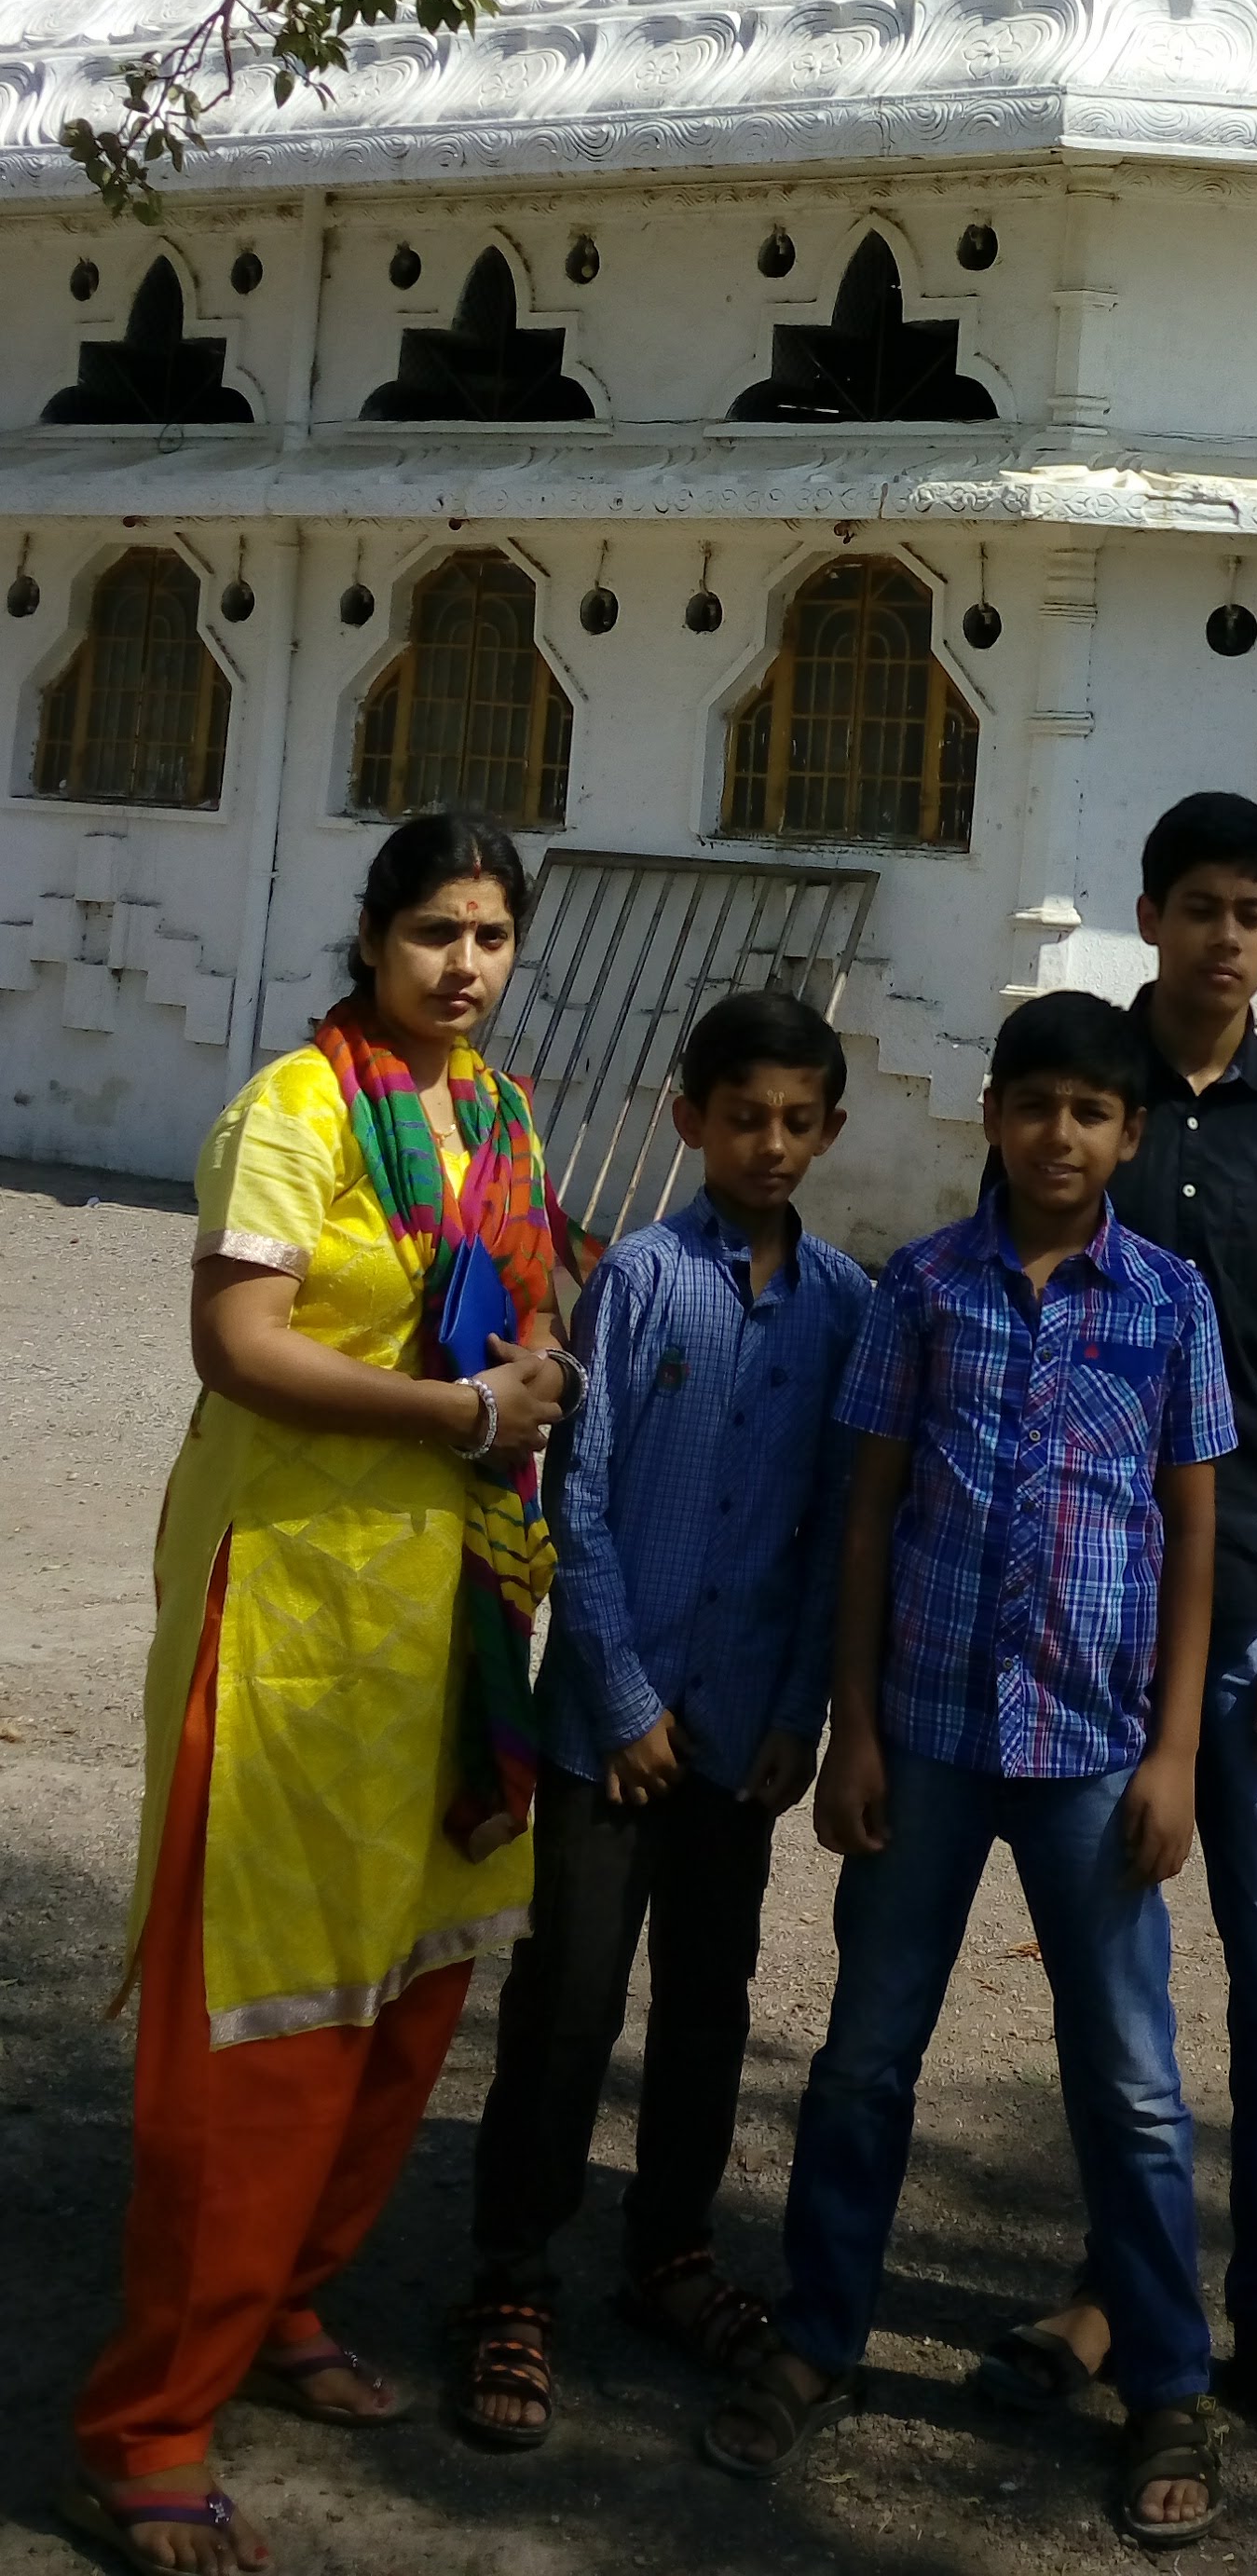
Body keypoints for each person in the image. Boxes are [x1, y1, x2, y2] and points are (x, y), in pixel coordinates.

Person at [66, 815, 573, 2576]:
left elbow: (530, 1293)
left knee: (407, 1997)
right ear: (371, 938)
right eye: (436, 929)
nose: (465, 963)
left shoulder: (497, 1116)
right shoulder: (296, 1107)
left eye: (494, 934)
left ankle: (286, 2301)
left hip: (446, 1623)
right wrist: (463, 1415)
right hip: (288, 1613)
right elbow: (241, 1344)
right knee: (261, 2026)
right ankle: (150, 2422)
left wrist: (539, 1369)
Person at [703, 992, 1238, 2550]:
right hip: (928, 1733)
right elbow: (868, 1513)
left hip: (1093, 1751)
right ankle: (818, 2338)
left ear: (1130, 1134)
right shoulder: (922, 1290)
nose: (1059, 1138)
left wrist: (1178, 1754)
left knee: (1131, 2085)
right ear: (991, 1115)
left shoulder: (1169, 1304)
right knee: (867, 2054)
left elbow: (1194, 1527)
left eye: (1092, 1113)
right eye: (1035, 1106)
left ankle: (1164, 2383)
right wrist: (852, 1725)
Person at [989, 791, 1257, 2478]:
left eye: (1255, 910)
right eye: (1198, 907)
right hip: (1093, 1618)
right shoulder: (1075, 1103)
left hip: (1250, 1613)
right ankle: (1124, 2277)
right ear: (1149, 916)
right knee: (1124, 1988)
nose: (1225, 937)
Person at [459, 988, 870, 2445]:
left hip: (743, 1736)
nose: (770, 1143)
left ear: (830, 1130)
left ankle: (671, 2253)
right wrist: (623, 1698)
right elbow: (582, 1499)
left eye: (797, 1121)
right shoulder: (638, 1279)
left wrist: (798, 1712)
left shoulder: (847, 1310)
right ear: (689, 1119)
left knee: (708, 2005)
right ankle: (514, 2278)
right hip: (606, 1738)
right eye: (743, 1115)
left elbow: (836, 1526)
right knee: (565, 2007)